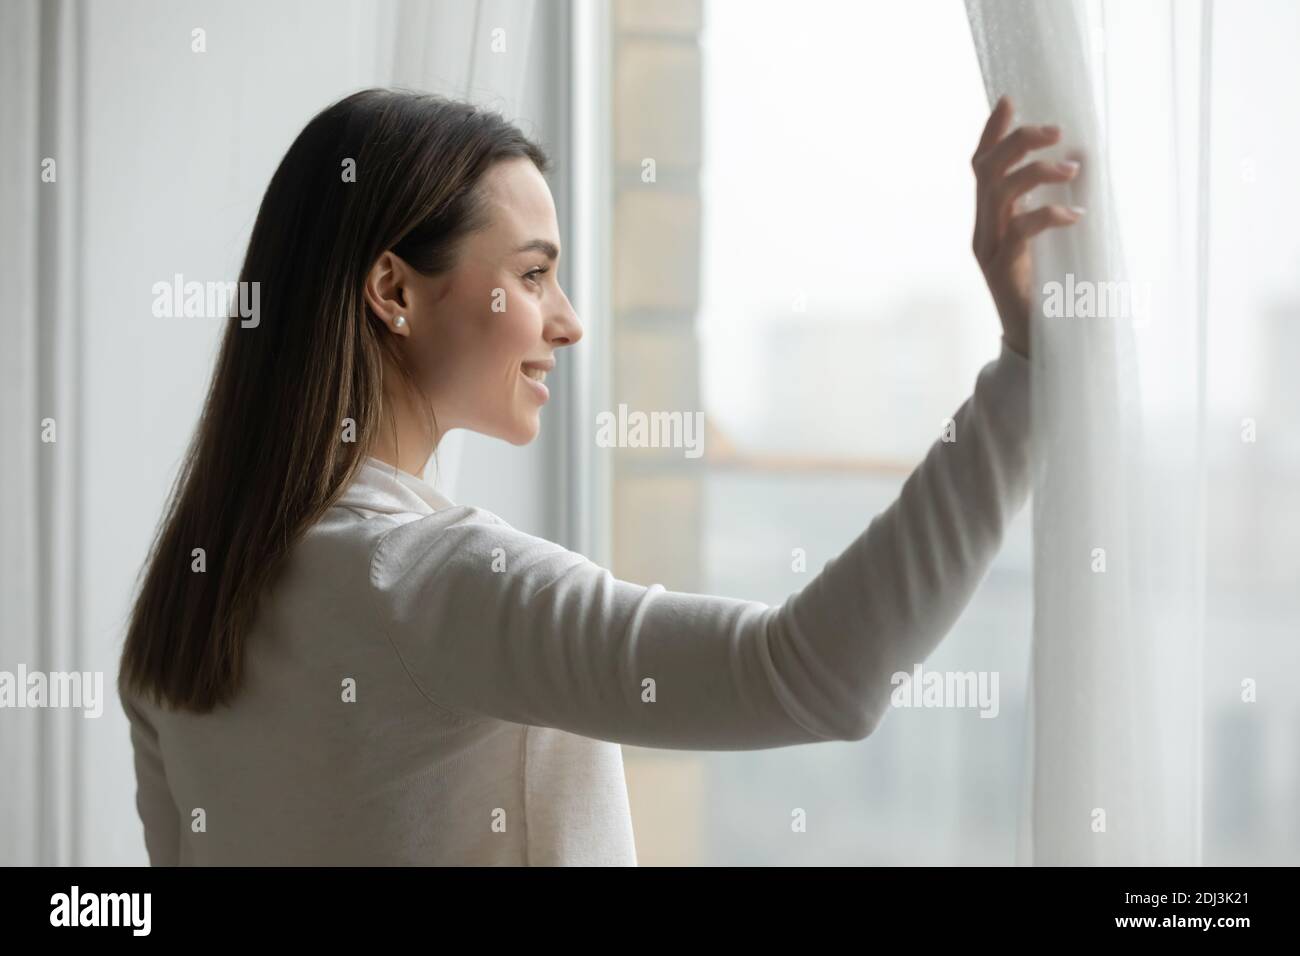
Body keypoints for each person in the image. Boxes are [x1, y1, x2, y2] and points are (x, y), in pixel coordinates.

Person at [119, 90, 1082, 865]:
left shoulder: (184, 607)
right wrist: (1025, 371)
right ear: (394, 293)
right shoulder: (432, 583)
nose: (568, 320)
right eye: (534, 275)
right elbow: (816, 677)